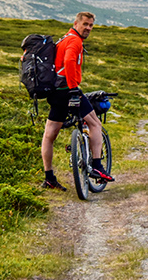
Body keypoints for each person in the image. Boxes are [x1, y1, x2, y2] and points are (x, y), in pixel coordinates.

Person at [41, 11, 114, 190]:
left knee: (49, 135)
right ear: (76, 23)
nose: (88, 28)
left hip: (56, 93)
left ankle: (49, 177)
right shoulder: (74, 41)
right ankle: (97, 166)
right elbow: (70, 61)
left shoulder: (64, 39)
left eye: (91, 25)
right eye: (85, 24)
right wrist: (74, 89)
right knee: (95, 124)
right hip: (68, 90)